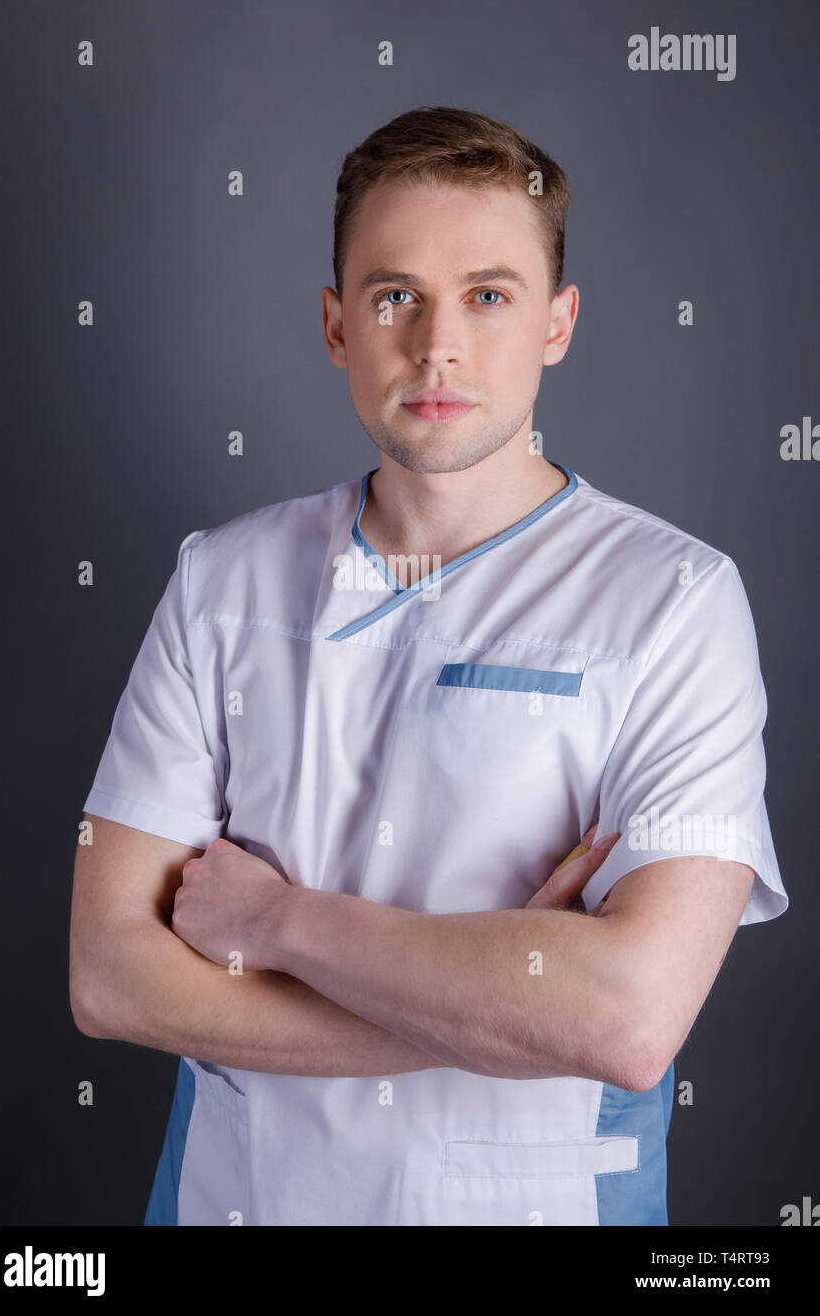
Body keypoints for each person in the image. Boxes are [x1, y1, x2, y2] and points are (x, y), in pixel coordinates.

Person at [69, 106, 788, 1227]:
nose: (435, 344)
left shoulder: (674, 602)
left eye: (488, 296)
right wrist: (498, 1001)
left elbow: (628, 1022)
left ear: (557, 322)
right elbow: (108, 976)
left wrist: (274, 925)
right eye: (393, 295)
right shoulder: (223, 581)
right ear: (334, 324)